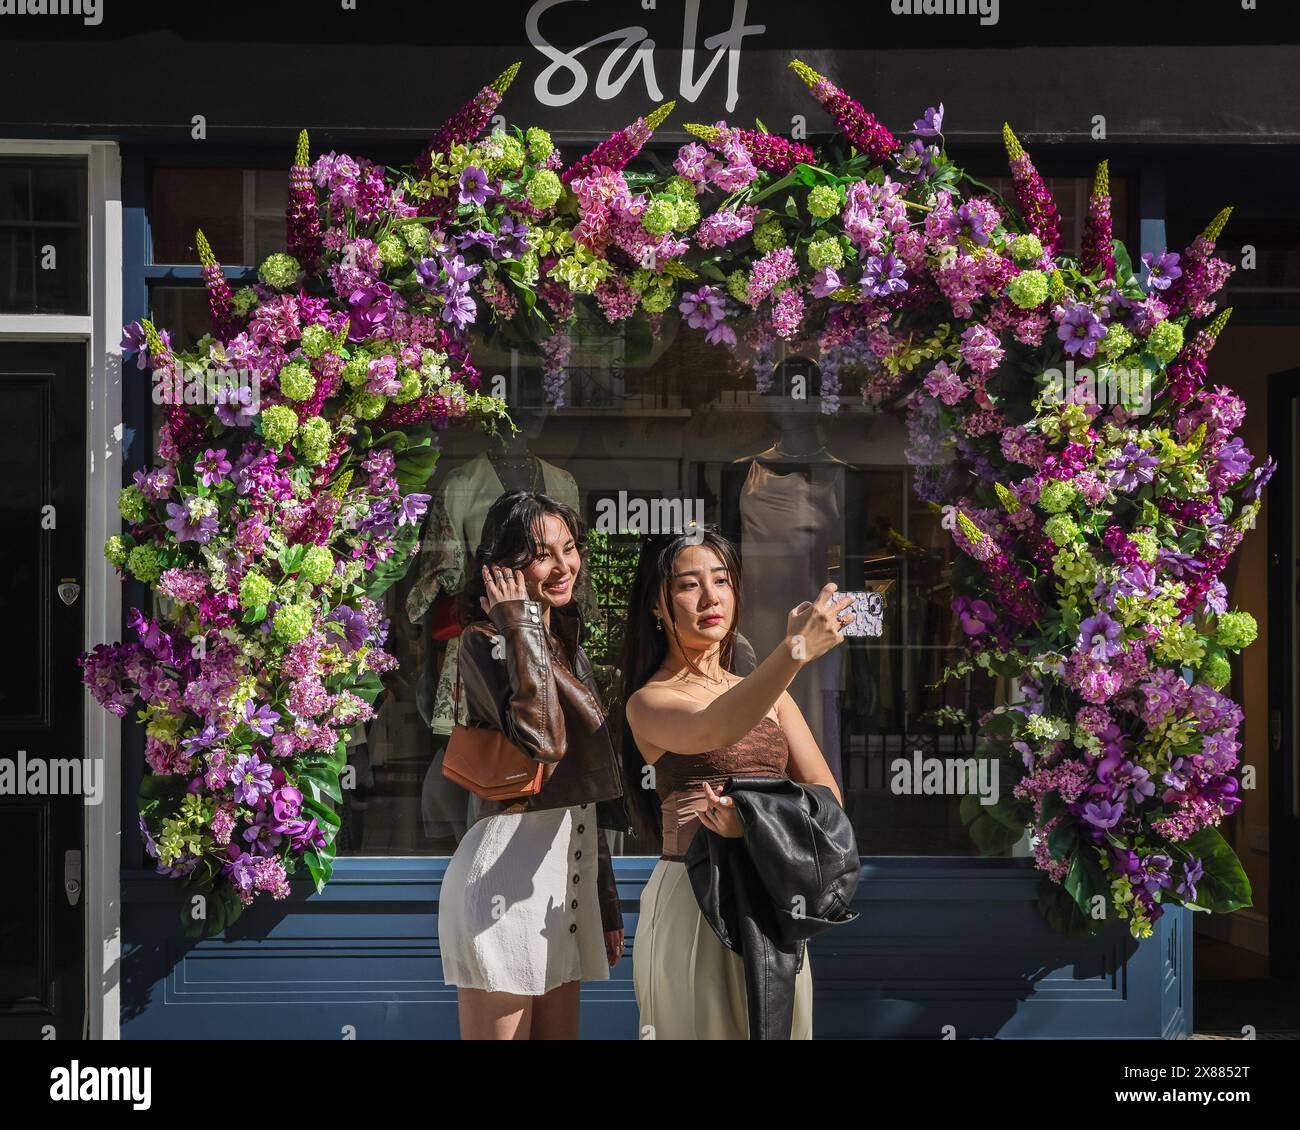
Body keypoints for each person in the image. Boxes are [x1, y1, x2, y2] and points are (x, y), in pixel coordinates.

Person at [621, 529, 851, 1040]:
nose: (711, 597)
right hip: (695, 895)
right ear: (657, 606)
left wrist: (754, 821)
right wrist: (793, 651)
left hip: (773, 894)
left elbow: (829, 799)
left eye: (722, 580)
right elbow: (713, 728)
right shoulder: (648, 700)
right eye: (688, 585)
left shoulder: (773, 695)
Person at [438, 491, 627, 1039]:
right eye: (543, 553)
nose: (564, 565)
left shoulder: (564, 644)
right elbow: (544, 740)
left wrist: (605, 899)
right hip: (503, 878)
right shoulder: (486, 642)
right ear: (504, 568)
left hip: (560, 888)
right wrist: (521, 624)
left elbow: (588, 786)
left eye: (570, 549)